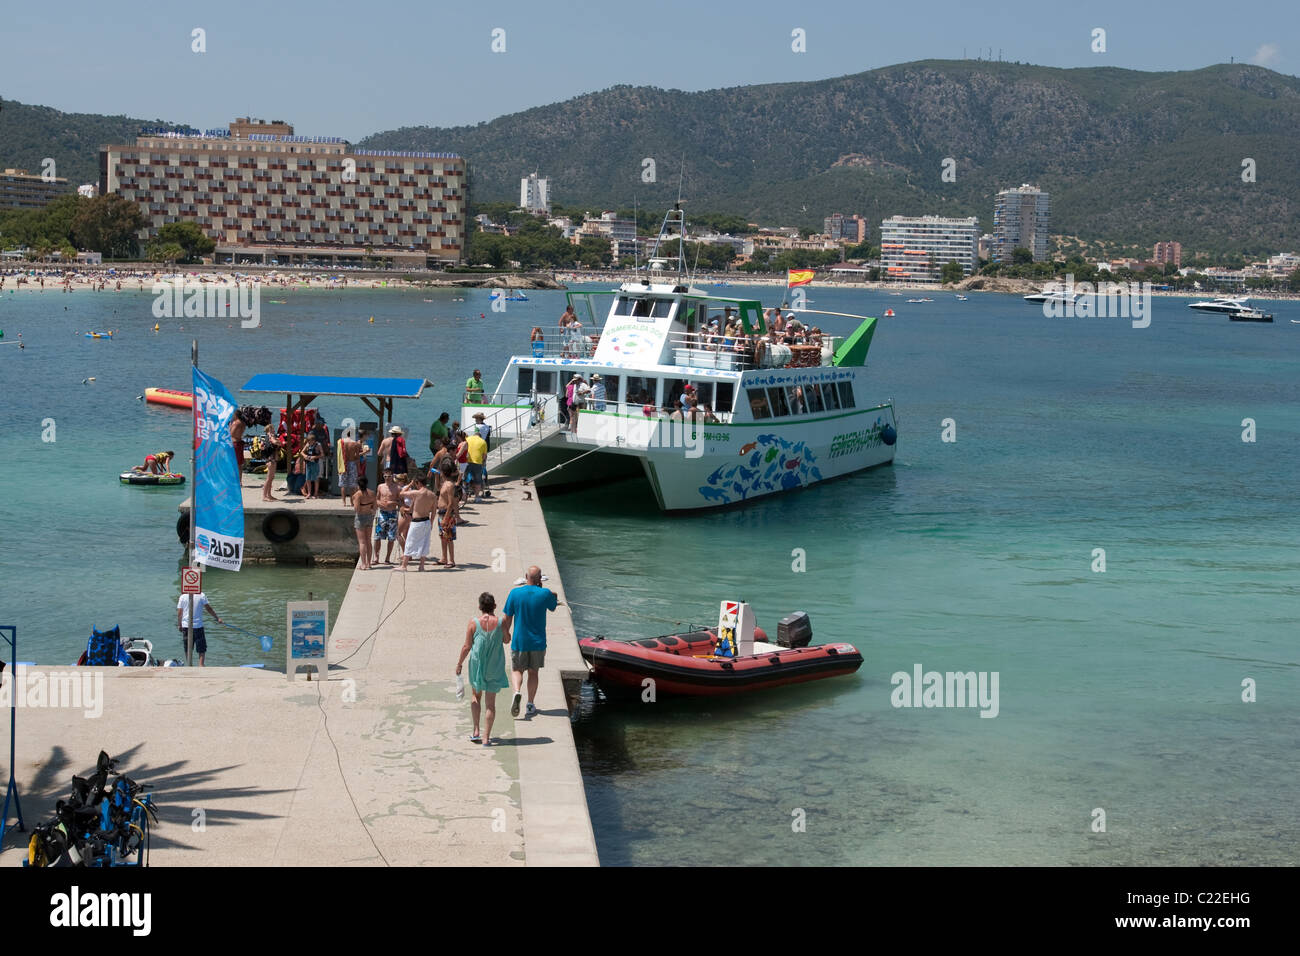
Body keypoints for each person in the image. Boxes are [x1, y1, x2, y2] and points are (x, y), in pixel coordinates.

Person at [455, 592, 511, 745]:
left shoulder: (473, 623)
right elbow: (507, 640)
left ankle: (475, 731)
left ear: (480, 607)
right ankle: (486, 737)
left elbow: (467, 646)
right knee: (491, 704)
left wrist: (459, 663)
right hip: (494, 665)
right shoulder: (501, 622)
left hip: (477, 664)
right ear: (494, 606)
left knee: (475, 696)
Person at [503, 566, 558, 719]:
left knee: (517, 670)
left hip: (519, 640)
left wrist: (506, 633)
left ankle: (517, 692)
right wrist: (551, 593)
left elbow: (507, 618)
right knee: (533, 673)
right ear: (540, 579)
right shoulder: (545, 593)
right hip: (538, 642)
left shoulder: (515, 593)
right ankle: (530, 703)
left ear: (526, 576)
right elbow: (553, 606)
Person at [399, 471, 437, 572]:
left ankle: (404, 566)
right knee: (425, 543)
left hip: (417, 521)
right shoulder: (432, 495)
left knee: (410, 542)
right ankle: (421, 566)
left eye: (416, 483)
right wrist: (432, 523)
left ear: (418, 483)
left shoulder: (416, 493)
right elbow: (433, 512)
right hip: (427, 521)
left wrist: (410, 484)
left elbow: (401, 493)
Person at [177, 590, 222, 667]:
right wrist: (217, 618)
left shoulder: (183, 596)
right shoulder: (201, 595)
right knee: (201, 646)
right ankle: (201, 664)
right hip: (198, 625)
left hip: (186, 625)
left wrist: (179, 624)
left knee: (187, 646)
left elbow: (179, 612)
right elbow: (209, 608)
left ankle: (189, 664)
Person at [372, 470, 402, 565]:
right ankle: (376, 557)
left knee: (391, 537)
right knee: (377, 536)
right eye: (385, 476)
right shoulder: (380, 486)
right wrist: (378, 505)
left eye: (388, 476)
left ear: (392, 476)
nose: (387, 478)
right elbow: (376, 499)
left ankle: (387, 558)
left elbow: (400, 501)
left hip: (392, 513)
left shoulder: (397, 488)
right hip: (382, 513)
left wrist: (393, 503)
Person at [437, 459, 459, 568]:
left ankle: (451, 560)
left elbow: (451, 503)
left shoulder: (450, 485)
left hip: (447, 514)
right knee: (443, 537)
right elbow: (437, 489)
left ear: (443, 472)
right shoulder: (444, 483)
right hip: (441, 513)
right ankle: (444, 557)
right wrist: (436, 477)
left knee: (449, 537)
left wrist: (446, 518)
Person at [352, 476, 378, 569]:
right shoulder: (372, 493)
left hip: (360, 518)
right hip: (369, 517)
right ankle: (369, 564)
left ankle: (363, 564)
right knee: (368, 541)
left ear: (358, 484)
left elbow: (357, 509)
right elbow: (375, 507)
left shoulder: (357, 495)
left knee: (362, 542)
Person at [466, 424, 488, 502]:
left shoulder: (468, 439)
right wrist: (483, 463)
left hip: (467, 462)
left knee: (466, 480)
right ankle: (477, 497)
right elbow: (484, 456)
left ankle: (464, 497)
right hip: (478, 463)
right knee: (478, 481)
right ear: (480, 435)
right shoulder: (483, 442)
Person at [301, 431, 323, 499]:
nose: (309, 443)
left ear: (313, 440)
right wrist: (305, 456)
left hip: (315, 463)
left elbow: (322, 454)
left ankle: (315, 493)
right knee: (308, 479)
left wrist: (315, 457)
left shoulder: (318, 445)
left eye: (310, 441)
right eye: (308, 441)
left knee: (315, 479)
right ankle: (309, 493)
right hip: (308, 463)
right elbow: (302, 452)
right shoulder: (308, 444)